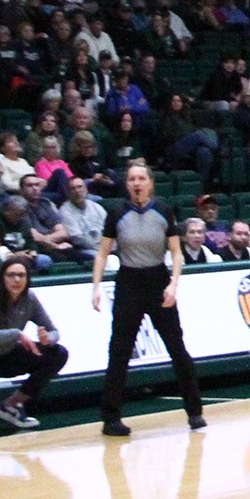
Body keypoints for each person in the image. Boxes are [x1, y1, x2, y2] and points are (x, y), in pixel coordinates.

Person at [91, 162, 205, 436]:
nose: (136, 183)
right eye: (131, 179)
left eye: (141, 178)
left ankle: (195, 412)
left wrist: (173, 284)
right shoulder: (116, 212)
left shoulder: (164, 211)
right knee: (119, 351)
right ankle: (111, 418)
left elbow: (177, 253)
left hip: (158, 280)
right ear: (127, 184)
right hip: (128, 281)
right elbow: (102, 253)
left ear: (150, 183)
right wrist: (95, 286)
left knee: (177, 348)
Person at [0, 257, 68, 435]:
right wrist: (15, 333)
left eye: (21, 275)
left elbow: (54, 331)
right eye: (11, 275)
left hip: (6, 354)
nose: (17, 280)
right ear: (2, 278)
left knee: (58, 353)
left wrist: (48, 339)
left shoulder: (29, 298)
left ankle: (12, 405)